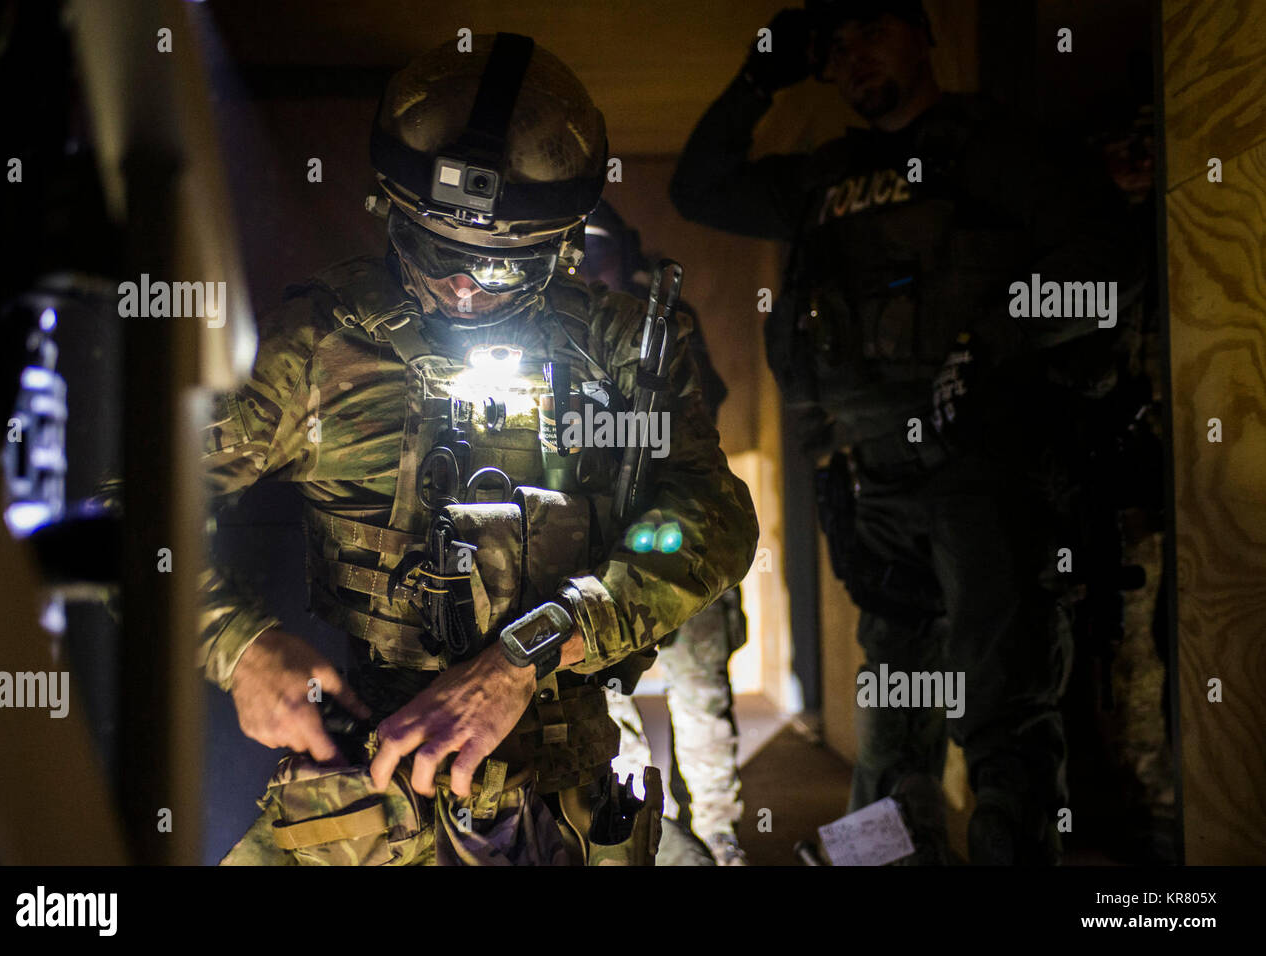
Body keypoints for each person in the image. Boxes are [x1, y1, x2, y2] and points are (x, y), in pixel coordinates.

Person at [198, 33, 758, 865]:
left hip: (566, 791)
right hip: (365, 786)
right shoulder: (312, 350)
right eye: (437, 253)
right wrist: (236, 644)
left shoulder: (621, 349)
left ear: (563, 244)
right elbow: (120, 504)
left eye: (501, 269)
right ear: (389, 210)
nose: (464, 288)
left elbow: (709, 519)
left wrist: (529, 652)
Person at [670, 0, 1139, 864]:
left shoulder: (993, 148)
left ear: (923, 32)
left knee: (1002, 712)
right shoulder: (824, 178)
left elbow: (1104, 275)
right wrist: (757, 78)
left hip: (987, 468)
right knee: (893, 714)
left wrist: (997, 339)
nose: (854, 55)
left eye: (873, 27)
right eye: (836, 46)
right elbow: (697, 188)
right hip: (870, 481)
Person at [582, 200, 751, 866]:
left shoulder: (664, 324)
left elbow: (701, 409)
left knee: (701, 697)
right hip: (597, 543)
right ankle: (640, 841)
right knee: (604, 706)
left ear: (629, 255)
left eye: (602, 251)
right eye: (579, 252)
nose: (592, 267)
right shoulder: (565, 327)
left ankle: (717, 839)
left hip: (679, 534)